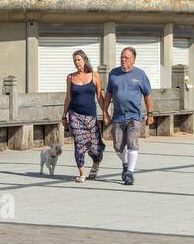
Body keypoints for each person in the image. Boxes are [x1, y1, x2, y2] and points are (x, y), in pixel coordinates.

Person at [105, 47, 152, 186]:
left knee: (132, 143)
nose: (123, 60)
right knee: (117, 146)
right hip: (118, 116)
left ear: (133, 59)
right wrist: (105, 112)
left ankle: (130, 173)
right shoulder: (113, 74)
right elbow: (108, 94)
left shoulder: (140, 74)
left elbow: (148, 95)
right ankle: (125, 164)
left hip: (134, 115)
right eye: (121, 57)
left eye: (126, 58)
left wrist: (150, 114)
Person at [61, 50, 105, 183]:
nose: (76, 63)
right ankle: (82, 173)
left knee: (95, 147)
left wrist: (105, 112)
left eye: (78, 60)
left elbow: (99, 97)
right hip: (75, 115)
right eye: (74, 60)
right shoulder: (70, 77)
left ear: (84, 60)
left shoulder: (95, 76)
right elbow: (68, 97)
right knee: (79, 144)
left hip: (91, 117)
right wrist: (64, 116)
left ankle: (96, 163)